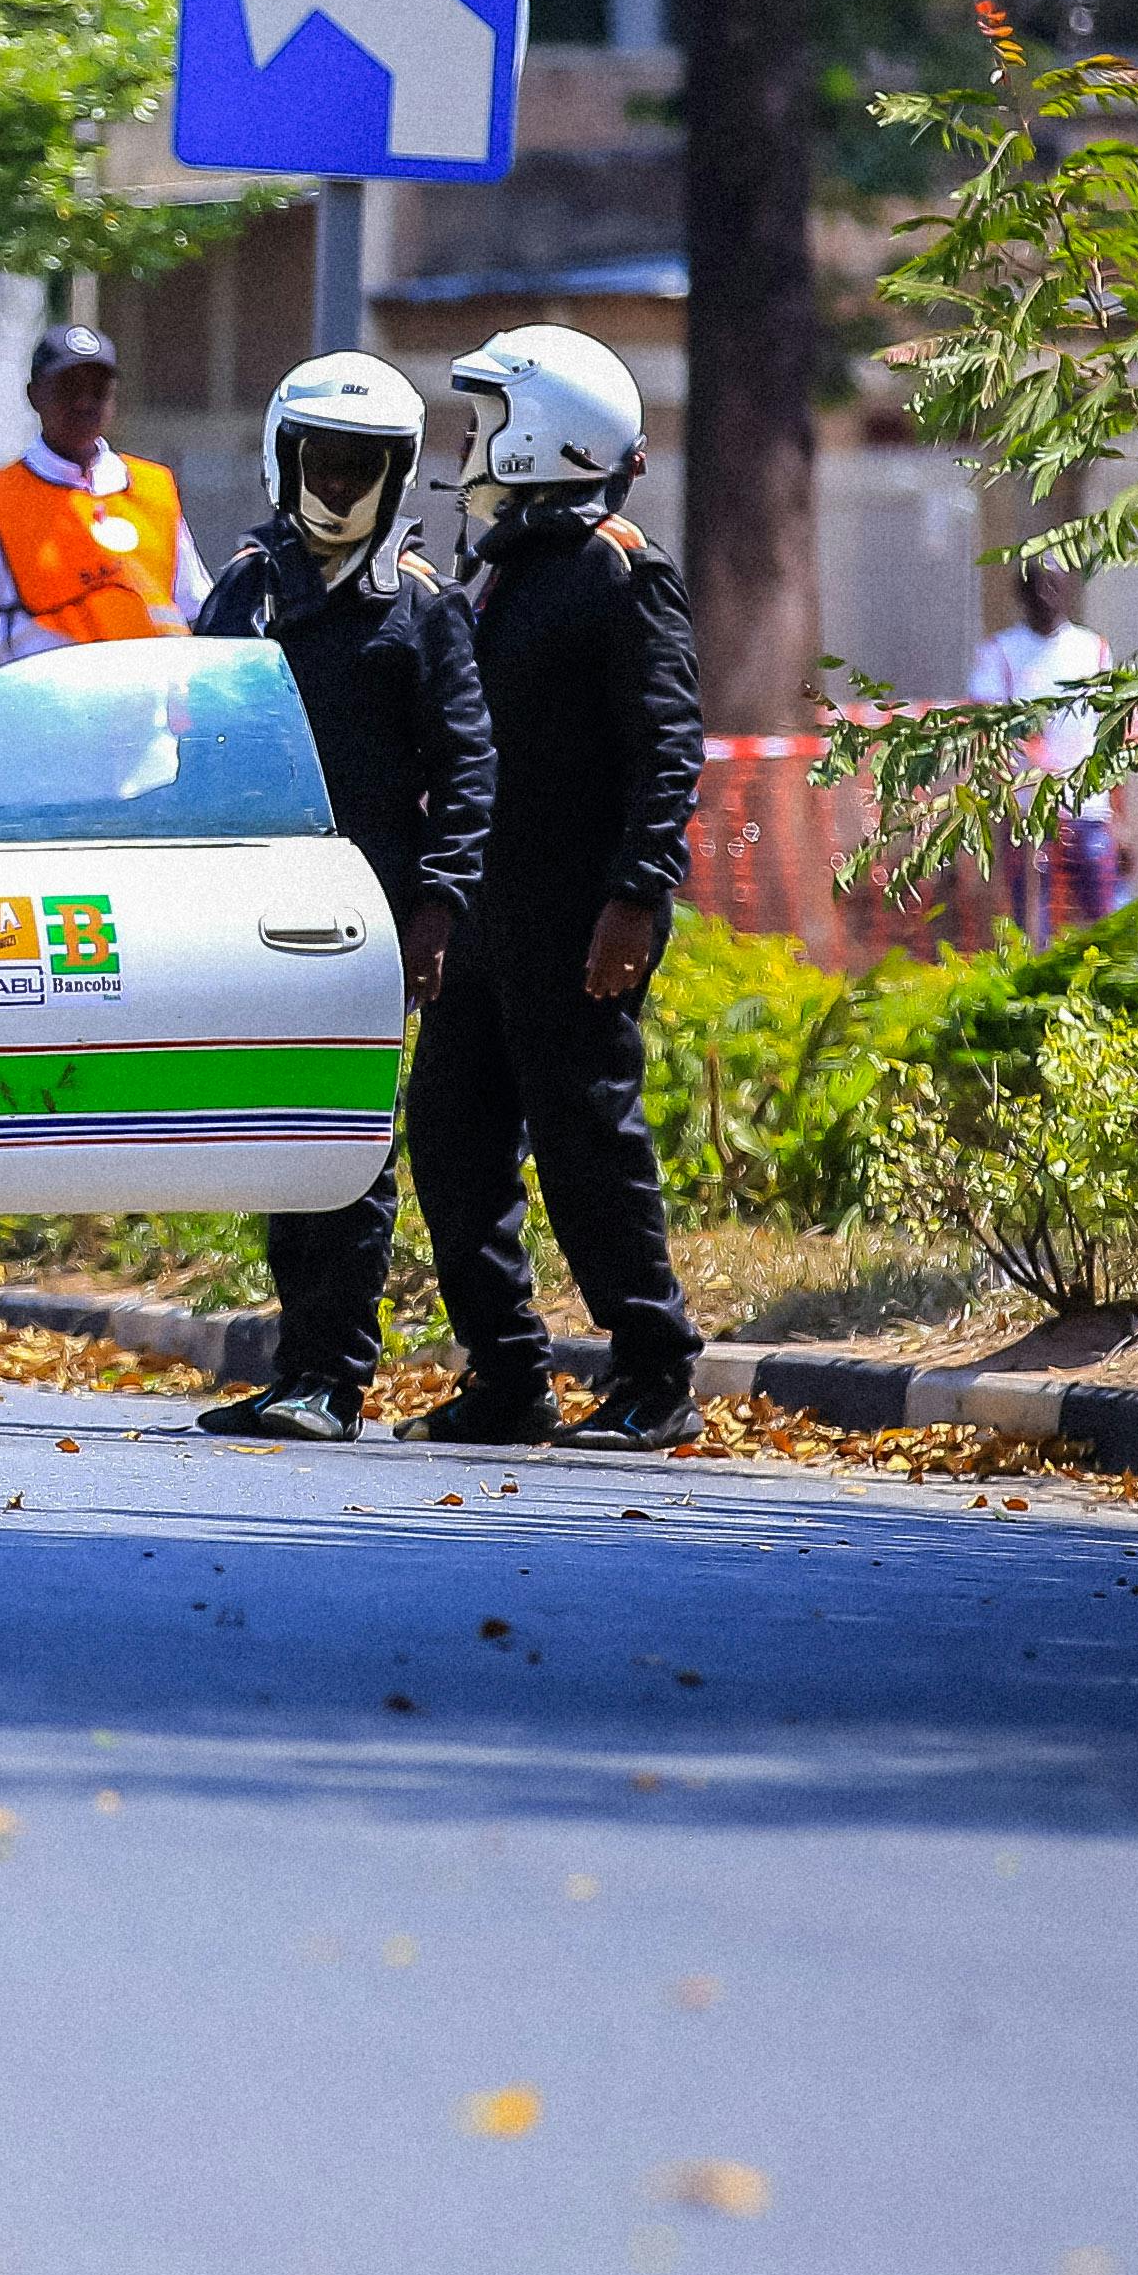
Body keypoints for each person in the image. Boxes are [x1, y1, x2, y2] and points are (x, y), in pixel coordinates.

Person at [399, 327, 709, 1452]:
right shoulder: (502, 569)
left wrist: (637, 895)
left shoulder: (618, 570)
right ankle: (508, 1375)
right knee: (451, 1141)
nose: (471, 446)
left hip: (580, 920)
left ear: (543, 437)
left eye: (486, 425)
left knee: (588, 1147)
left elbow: (669, 749)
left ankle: (654, 1373)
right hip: (487, 914)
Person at [181, 354, 488, 1443]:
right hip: (261, 905)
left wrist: (439, 909)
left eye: (365, 463)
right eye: (326, 457)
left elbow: (466, 767)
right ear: (287, 454)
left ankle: (335, 1379)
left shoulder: (421, 606)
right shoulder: (245, 588)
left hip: (372, 915)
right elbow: (193, 738)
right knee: (283, 1137)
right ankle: (293, 1365)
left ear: (399, 471)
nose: (343, 478)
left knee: (353, 1144)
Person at [0, 320, 202, 704]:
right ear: (34, 395)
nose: (84, 402)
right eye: (67, 387)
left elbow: (197, 615)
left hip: (145, 739)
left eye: (97, 390)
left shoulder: (155, 489)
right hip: (36, 736)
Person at [962, 563, 1117, 935]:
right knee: (1034, 921)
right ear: (1022, 594)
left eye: (1055, 586)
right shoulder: (1000, 653)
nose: (1047, 596)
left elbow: (1112, 733)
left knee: (1106, 917)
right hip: (1030, 813)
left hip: (1088, 806)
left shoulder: (1092, 649)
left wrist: (1120, 818)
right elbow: (988, 724)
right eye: (1039, 587)